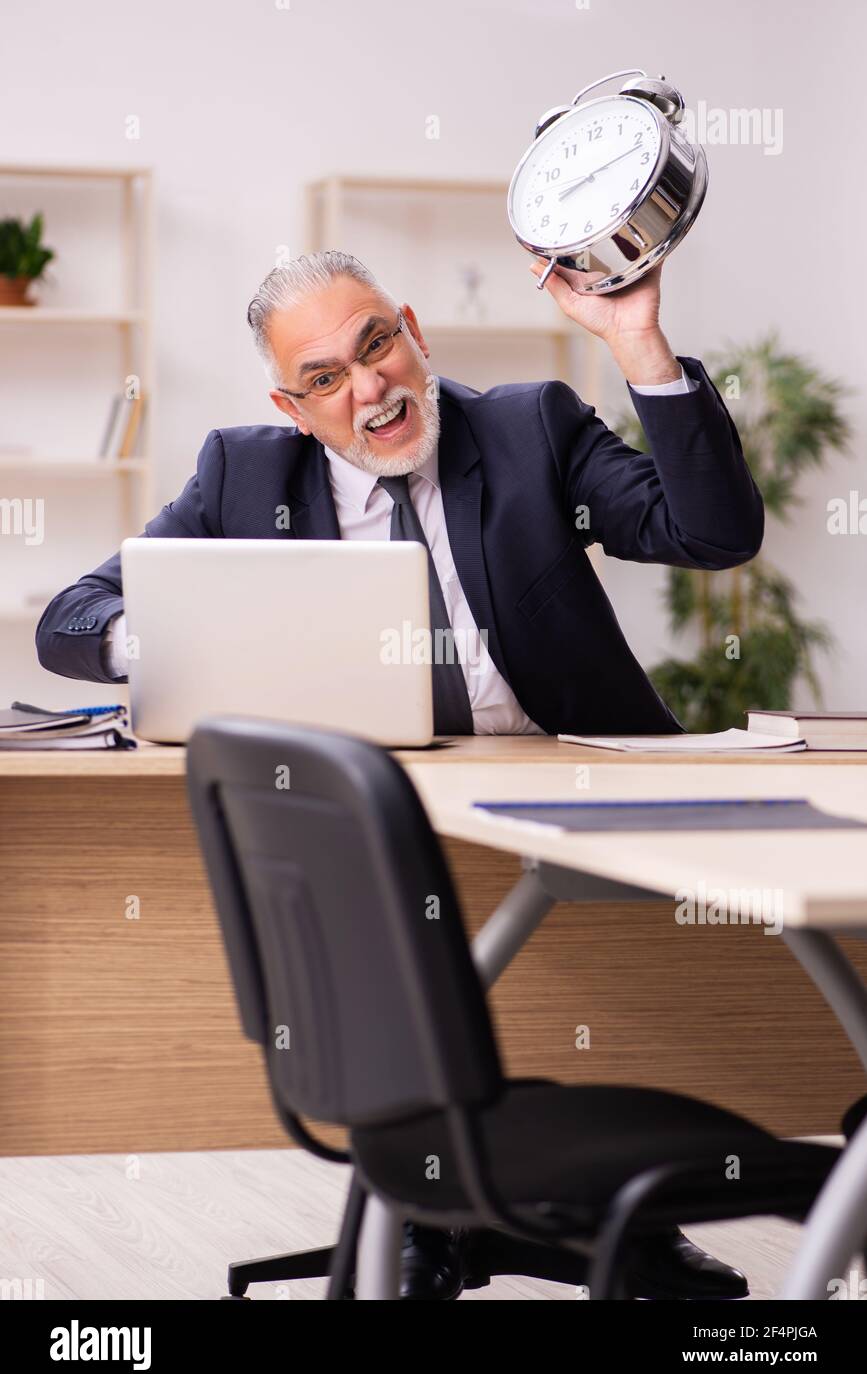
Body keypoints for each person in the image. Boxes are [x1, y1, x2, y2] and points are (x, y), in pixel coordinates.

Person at [36, 249, 763, 1299]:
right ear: (292, 404)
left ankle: (609, 1199)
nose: (368, 388)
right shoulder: (244, 473)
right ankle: (425, 1199)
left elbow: (714, 531)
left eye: (375, 344)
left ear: (414, 330)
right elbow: (72, 617)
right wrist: (170, 645)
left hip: (566, 802)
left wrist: (635, 341)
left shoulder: (530, 426)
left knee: (626, 986)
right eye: (324, 377)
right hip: (375, 819)